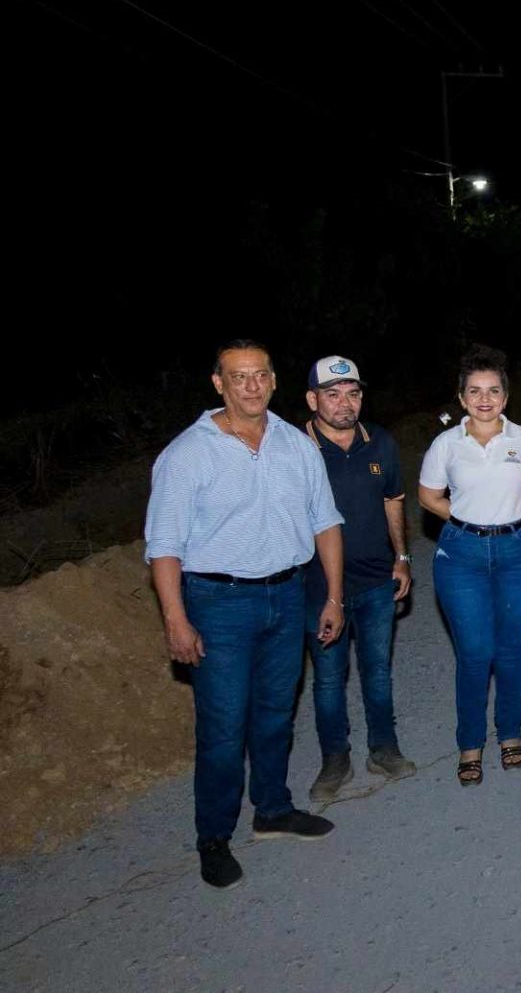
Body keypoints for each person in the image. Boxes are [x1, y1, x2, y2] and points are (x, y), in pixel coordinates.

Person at [144, 339, 343, 890]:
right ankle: (213, 837)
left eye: (260, 376)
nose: (251, 386)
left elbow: (325, 521)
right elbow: (164, 546)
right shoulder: (188, 454)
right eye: (239, 377)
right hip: (219, 604)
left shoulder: (295, 445)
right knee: (224, 728)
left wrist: (332, 596)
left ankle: (273, 808)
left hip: (287, 594)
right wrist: (176, 620)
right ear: (218, 384)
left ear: (274, 381)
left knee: (277, 712)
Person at [418, 345, 521, 786]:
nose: (485, 399)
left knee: (511, 649)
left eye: (493, 390)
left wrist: (513, 513)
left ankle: (510, 732)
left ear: (505, 397)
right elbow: (428, 496)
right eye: (475, 391)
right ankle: (470, 743)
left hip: (519, 552)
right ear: (462, 398)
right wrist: (462, 517)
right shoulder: (446, 444)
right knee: (475, 653)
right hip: (462, 556)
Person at [301, 355, 416, 803]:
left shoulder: (380, 442)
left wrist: (402, 557)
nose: (343, 403)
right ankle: (335, 759)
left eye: (352, 394)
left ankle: (383, 749)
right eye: (332, 394)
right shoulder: (295, 448)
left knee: (377, 669)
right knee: (329, 678)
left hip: (375, 581)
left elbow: (393, 501)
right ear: (313, 399)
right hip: (317, 587)